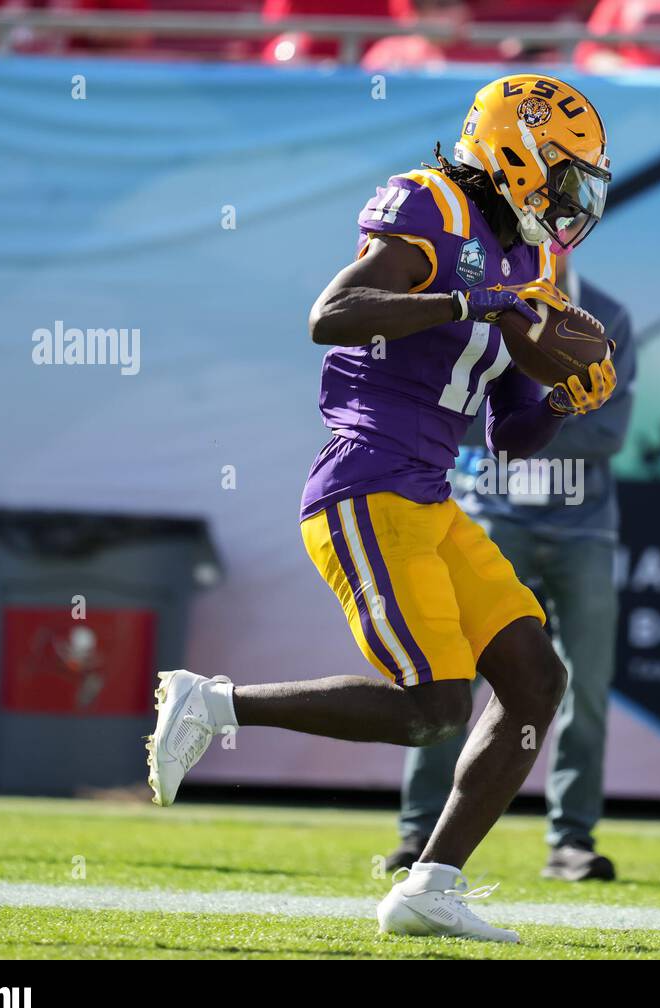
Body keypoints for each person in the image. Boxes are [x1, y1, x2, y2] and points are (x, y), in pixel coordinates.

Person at [145, 74, 617, 943]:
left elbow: (507, 435)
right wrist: (468, 299)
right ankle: (211, 705)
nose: (568, 194)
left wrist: (560, 401)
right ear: (516, 149)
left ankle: (431, 883)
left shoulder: (534, 260)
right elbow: (333, 313)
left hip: (431, 493)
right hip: (366, 478)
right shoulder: (429, 202)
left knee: (534, 680)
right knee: (431, 708)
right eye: (561, 170)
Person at [383, 256, 636, 882]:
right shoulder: (487, 300)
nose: (548, 242)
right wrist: (554, 406)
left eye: (560, 231)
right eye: (535, 228)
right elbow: (452, 416)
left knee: (587, 683)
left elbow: (610, 435)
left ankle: (571, 841)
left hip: (584, 527)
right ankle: (419, 833)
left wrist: (523, 418)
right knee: (451, 672)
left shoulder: (610, 316)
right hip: (492, 518)